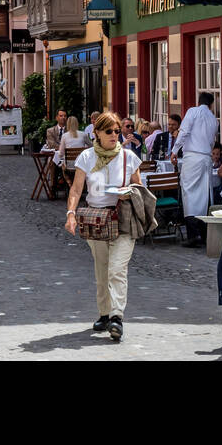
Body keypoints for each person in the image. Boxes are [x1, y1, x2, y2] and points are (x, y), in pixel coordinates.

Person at [64, 111, 143, 342]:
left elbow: (139, 189)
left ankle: (117, 317)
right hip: (96, 220)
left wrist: (129, 193)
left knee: (117, 268)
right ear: (97, 132)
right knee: (102, 269)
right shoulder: (86, 157)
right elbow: (76, 189)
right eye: (109, 131)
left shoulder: (129, 158)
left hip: (123, 218)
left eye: (117, 131)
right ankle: (104, 314)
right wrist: (71, 214)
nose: (114, 135)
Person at [172, 92, 219, 249]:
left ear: (199, 102)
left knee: (189, 193)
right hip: (206, 157)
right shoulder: (213, 119)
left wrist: (174, 150)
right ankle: (203, 233)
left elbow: (184, 131)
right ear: (211, 105)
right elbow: (212, 141)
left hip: (193, 157)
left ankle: (193, 235)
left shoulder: (193, 111)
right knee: (204, 195)